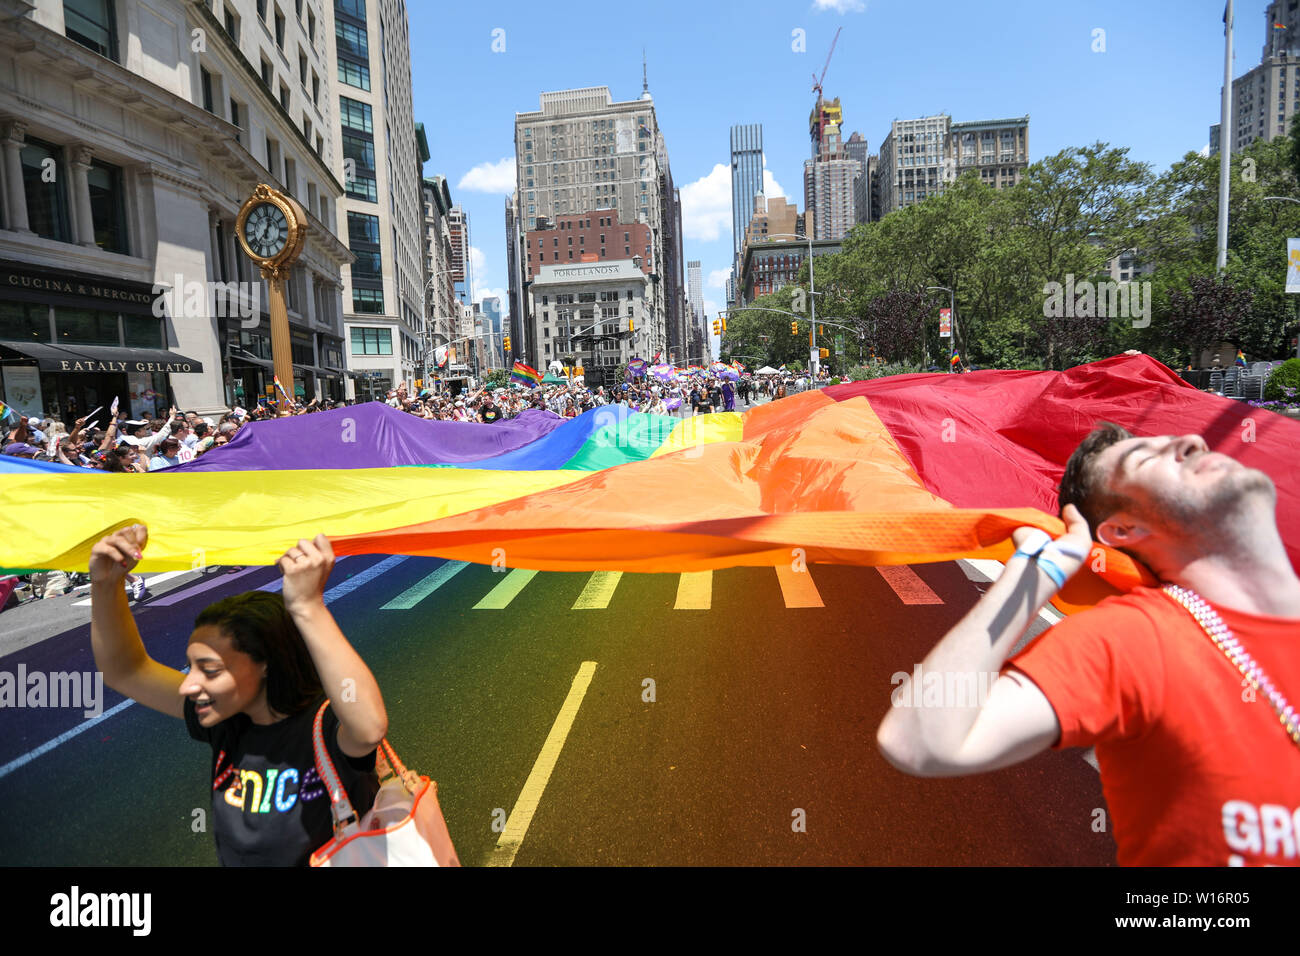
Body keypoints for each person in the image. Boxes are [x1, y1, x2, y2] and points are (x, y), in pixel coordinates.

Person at [876, 423, 1300, 866]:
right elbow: (917, 743)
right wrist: (1032, 574)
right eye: (1148, 459)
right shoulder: (1133, 640)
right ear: (1123, 529)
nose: (1190, 440)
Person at [88, 525, 385, 866]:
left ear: (266, 665)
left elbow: (370, 727)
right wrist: (106, 584)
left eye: (210, 670)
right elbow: (126, 670)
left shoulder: (326, 726)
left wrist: (308, 606)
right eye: (191, 668)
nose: (188, 686)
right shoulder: (225, 718)